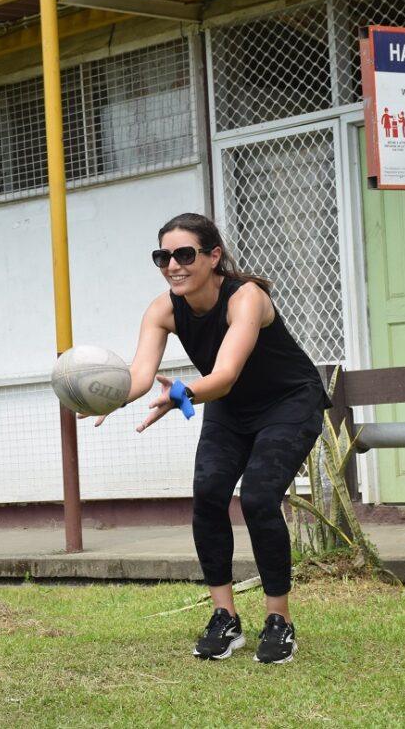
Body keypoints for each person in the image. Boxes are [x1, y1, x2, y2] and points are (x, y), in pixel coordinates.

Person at [95, 213, 330, 664]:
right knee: (208, 493)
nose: (173, 265)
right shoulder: (162, 309)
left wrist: (182, 392)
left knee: (260, 499)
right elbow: (141, 376)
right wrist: (109, 397)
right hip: (230, 406)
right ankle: (225, 617)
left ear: (213, 256)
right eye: (163, 257)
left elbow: (222, 376)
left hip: (288, 403)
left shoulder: (246, 298)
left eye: (185, 255)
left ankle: (278, 620)